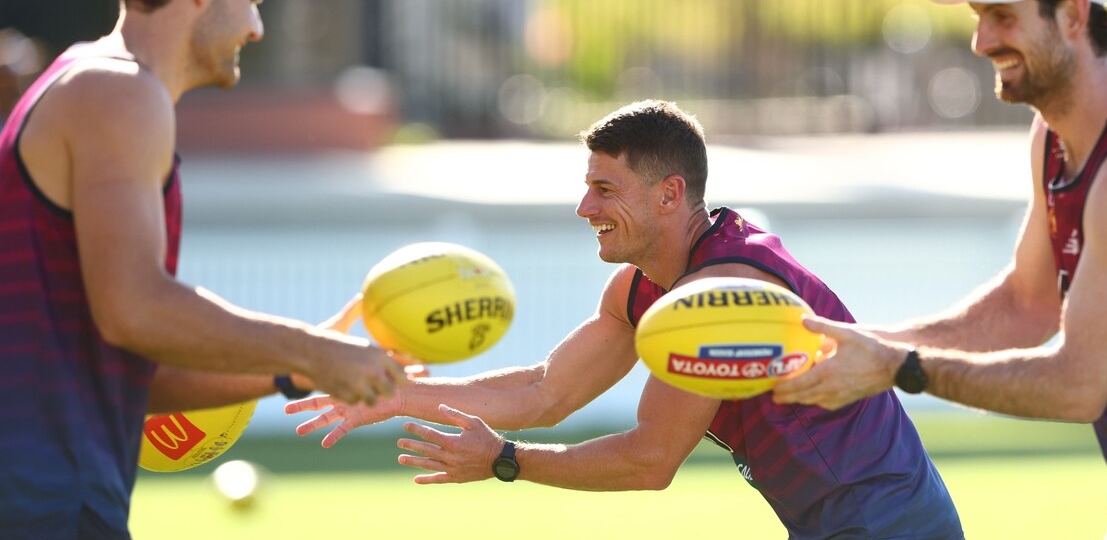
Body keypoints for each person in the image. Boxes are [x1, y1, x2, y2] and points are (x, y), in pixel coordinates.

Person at [287, 100, 964, 538]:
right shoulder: (641, 289)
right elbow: (545, 391)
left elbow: (649, 459)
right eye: (586, 187)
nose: (584, 207)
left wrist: (505, 461)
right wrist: (396, 393)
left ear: (671, 194)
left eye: (604, 189)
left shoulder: (724, 296)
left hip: (889, 524)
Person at [772, 0, 1107, 539]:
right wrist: (864, 346)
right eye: (979, 16)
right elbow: (1028, 305)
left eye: (1003, 16)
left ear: (1074, 16)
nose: (980, 41)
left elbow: (1078, 387)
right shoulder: (1057, 136)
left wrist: (900, 367)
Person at [0, 0, 407, 537]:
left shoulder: (93, 84)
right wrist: (310, 346)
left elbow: (138, 364)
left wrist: (298, 370)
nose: (256, 26)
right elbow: (133, 309)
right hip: (41, 497)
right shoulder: (120, 91)